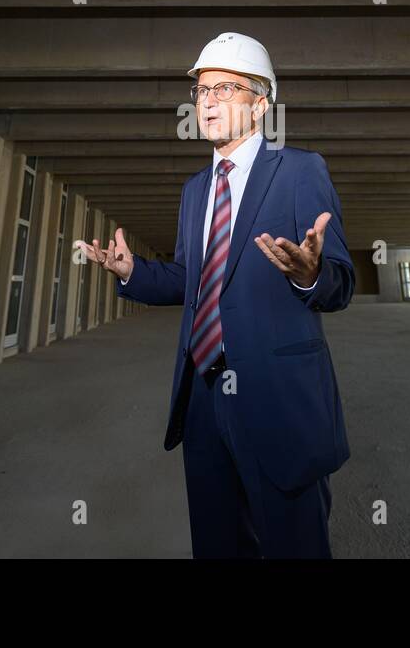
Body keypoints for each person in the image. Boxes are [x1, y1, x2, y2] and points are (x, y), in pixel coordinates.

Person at [76, 31, 354, 558]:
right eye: (202, 92)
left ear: (261, 104)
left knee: (295, 544)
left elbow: (340, 284)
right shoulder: (195, 190)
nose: (206, 102)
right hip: (203, 396)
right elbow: (191, 281)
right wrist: (133, 270)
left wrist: (308, 273)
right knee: (218, 544)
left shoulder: (299, 170)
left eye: (224, 89)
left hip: (276, 396)